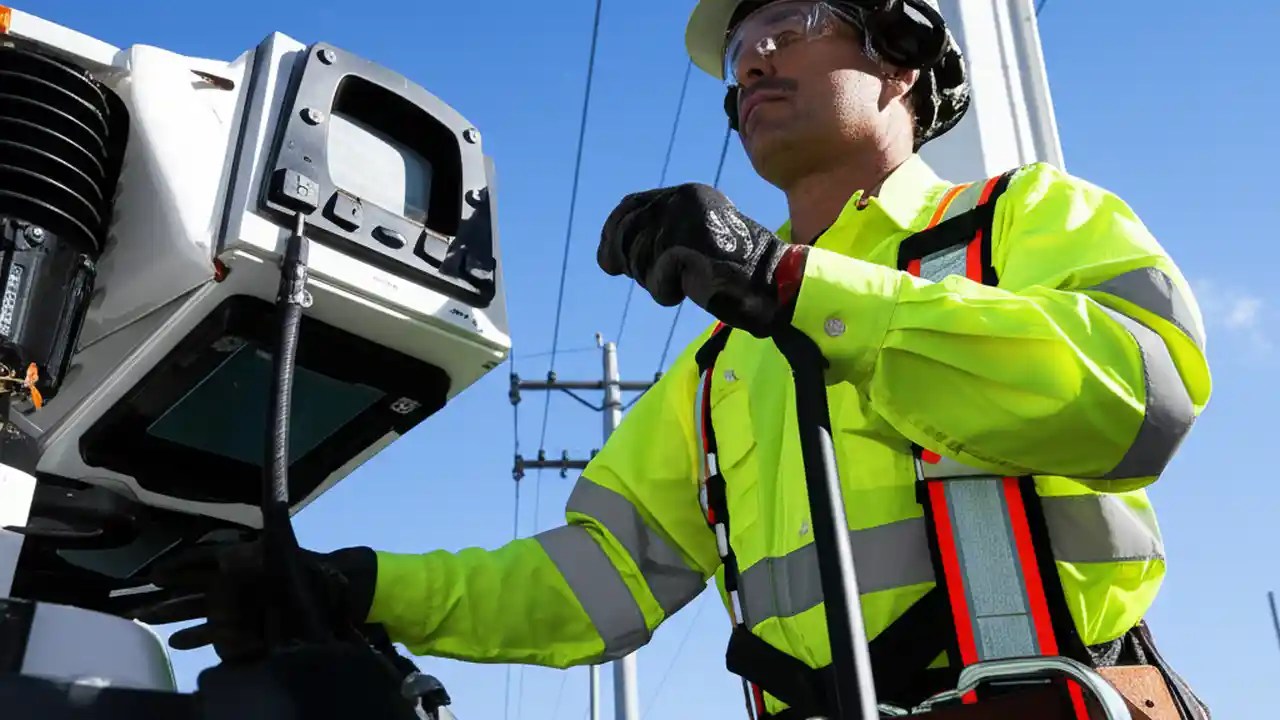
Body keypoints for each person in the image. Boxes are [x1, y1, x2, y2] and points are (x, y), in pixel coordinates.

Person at [150, 1, 1213, 718]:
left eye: (788, 21)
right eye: (739, 41)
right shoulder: (717, 366)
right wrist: (358, 586)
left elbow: (1135, 398)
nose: (751, 56)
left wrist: (791, 284)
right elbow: (589, 586)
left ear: (899, 56)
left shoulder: (1022, 217)